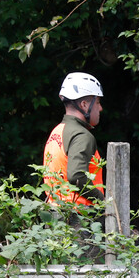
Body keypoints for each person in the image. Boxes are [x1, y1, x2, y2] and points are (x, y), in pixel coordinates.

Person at [42, 72, 105, 205]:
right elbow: (76, 176)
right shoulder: (82, 136)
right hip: (79, 217)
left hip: (55, 213)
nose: (100, 108)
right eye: (98, 102)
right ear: (84, 105)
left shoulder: (57, 131)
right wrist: (103, 201)